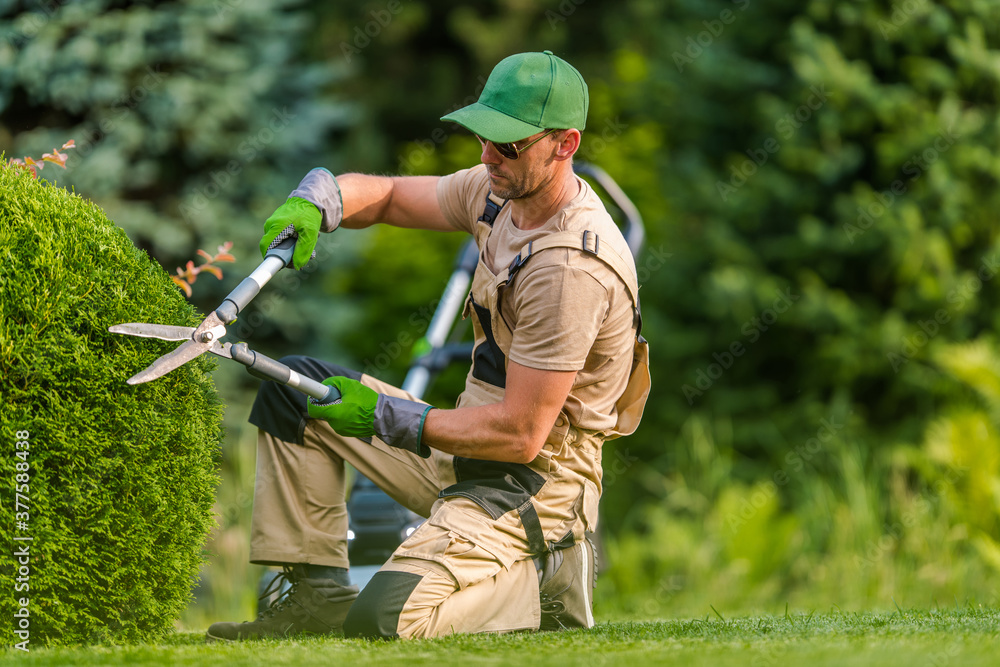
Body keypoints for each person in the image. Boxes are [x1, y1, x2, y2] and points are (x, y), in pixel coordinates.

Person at [206, 50, 649, 642]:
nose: (488, 155)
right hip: (465, 452)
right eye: (484, 136)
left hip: (533, 491)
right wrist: (321, 197)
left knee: (386, 620)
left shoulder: (571, 267)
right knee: (295, 392)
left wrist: (388, 417)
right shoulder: (500, 194)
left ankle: (541, 581)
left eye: (509, 145)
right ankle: (314, 601)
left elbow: (520, 437)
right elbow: (388, 196)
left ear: (565, 144)